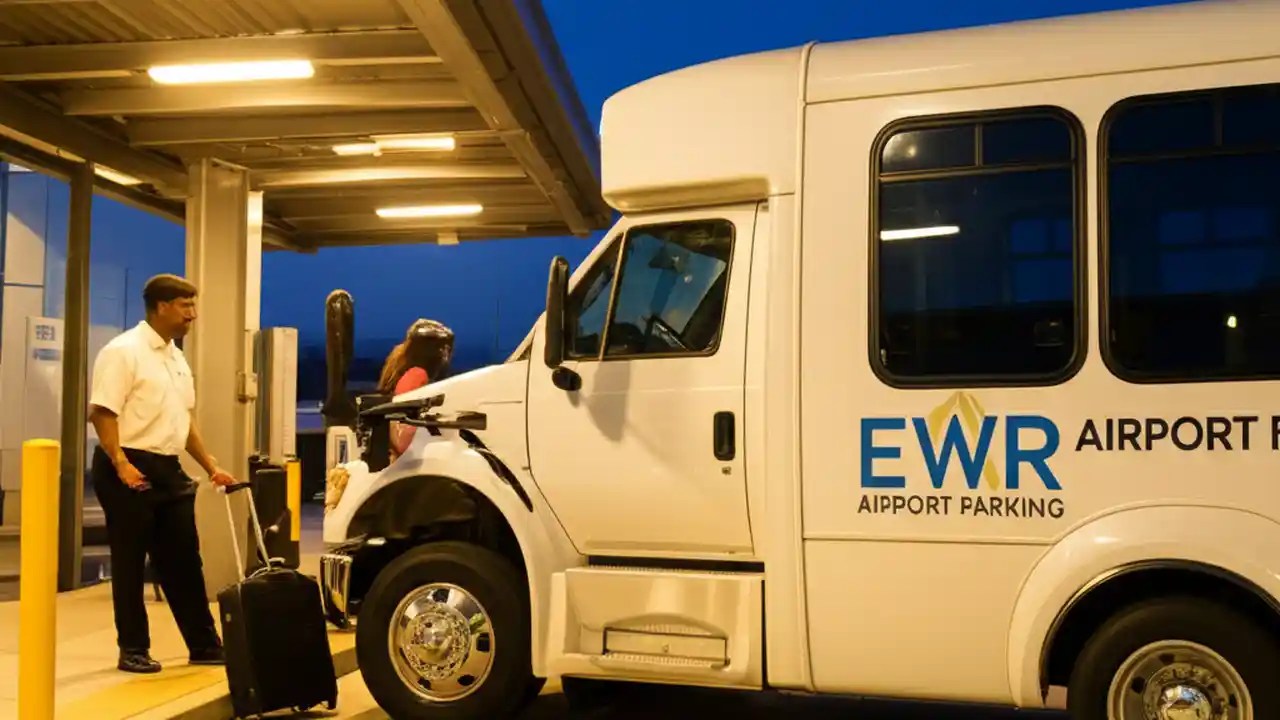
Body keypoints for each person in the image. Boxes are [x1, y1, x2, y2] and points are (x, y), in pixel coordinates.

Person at [88, 274, 237, 674]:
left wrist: (211, 466)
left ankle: (203, 645)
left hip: (167, 466)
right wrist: (120, 463)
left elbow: (183, 420)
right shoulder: (123, 351)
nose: (193, 314)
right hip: (127, 463)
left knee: (185, 559)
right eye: (185, 306)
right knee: (130, 560)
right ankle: (133, 648)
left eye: (193, 305)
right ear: (161, 306)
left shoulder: (175, 357)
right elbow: (102, 412)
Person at [376, 318, 454, 459]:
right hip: (408, 459)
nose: (446, 356)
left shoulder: (407, 372)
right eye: (442, 348)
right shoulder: (417, 375)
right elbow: (405, 435)